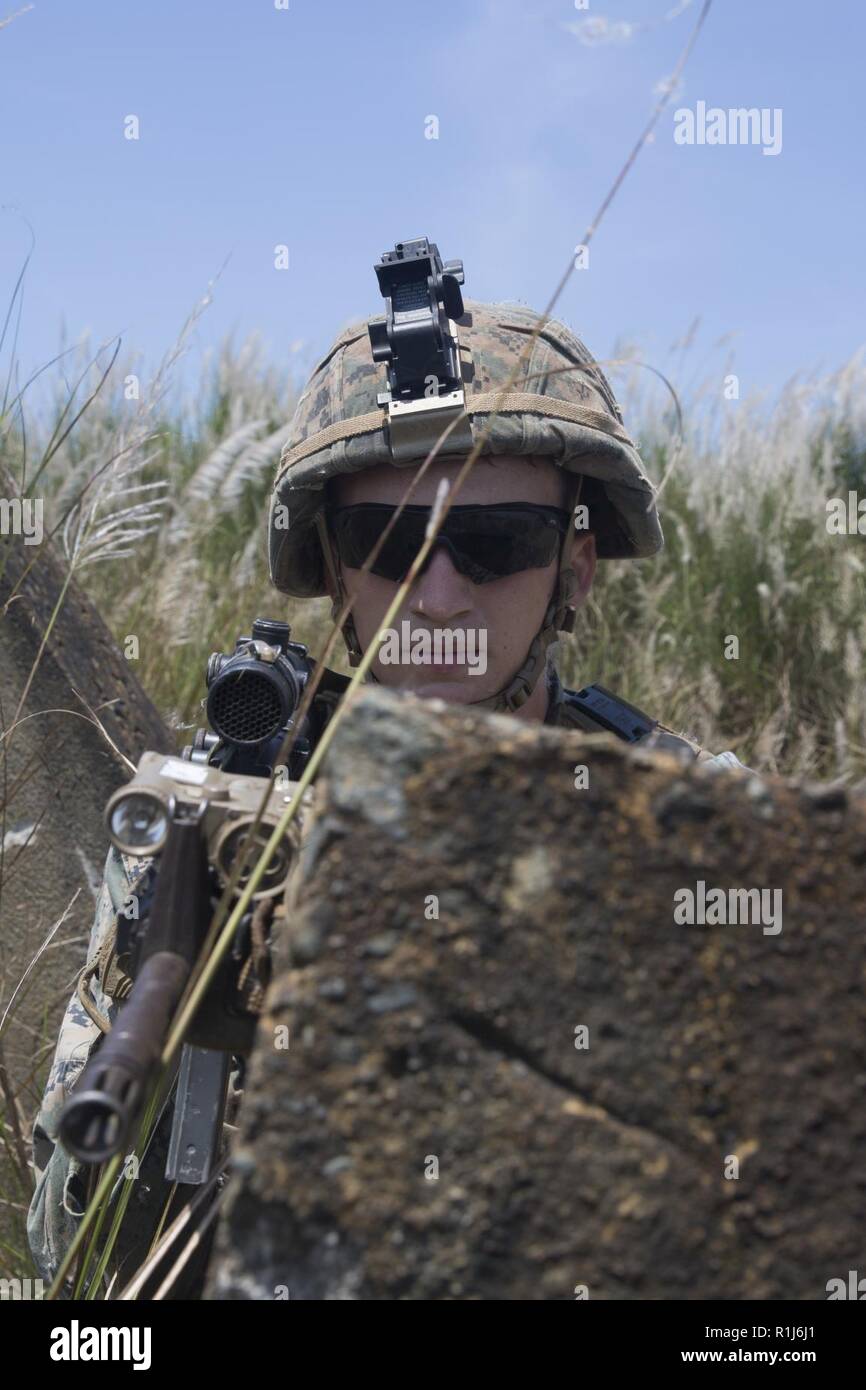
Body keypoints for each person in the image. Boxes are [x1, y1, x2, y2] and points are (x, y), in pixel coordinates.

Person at [28, 281, 745, 1291]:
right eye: (389, 544)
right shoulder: (229, 817)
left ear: (574, 566)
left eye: (496, 542)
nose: (438, 592)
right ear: (333, 567)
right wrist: (218, 1007)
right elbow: (76, 1252)